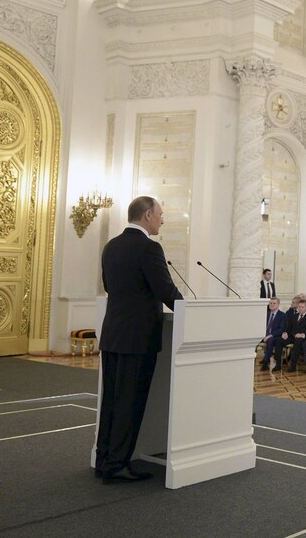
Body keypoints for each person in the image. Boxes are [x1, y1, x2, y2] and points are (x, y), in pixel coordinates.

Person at [96, 196, 183, 484]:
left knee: (111, 400)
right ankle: (118, 464)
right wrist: (189, 309)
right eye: (160, 214)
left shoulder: (111, 246)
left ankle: (105, 459)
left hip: (113, 335)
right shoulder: (149, 247)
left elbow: (110, 286)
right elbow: (165, 290)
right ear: (147, 215)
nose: (162, 220)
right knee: (130, 403)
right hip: (138, 339)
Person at [260, 297, 287, 371]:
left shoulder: (282, 315)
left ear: (278, 305)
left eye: (274, 303)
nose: (272, 305)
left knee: (271, 340)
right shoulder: (266, 314)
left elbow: (281, 329)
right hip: (264, 335)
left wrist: (269, 336)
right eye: (270, 303)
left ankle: (265, 362)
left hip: (275, 336)